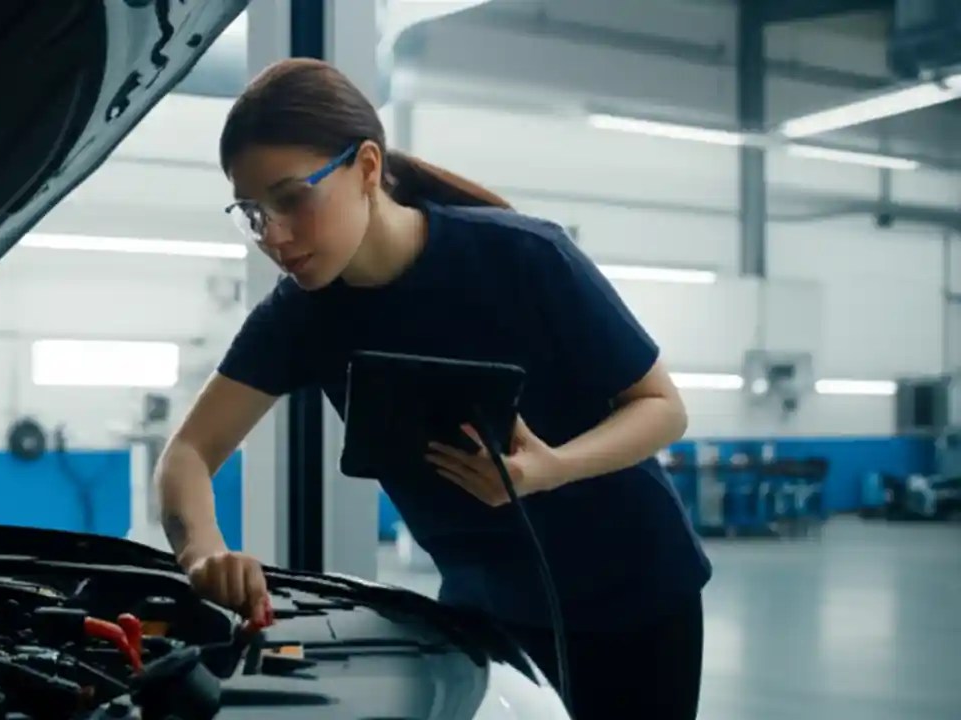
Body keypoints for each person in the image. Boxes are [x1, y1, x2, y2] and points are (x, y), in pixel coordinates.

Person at [155, 57, 711, 719]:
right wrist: (204, 552)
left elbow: (662, 409)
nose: (273, 236)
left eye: (292, 197)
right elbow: (188, 453)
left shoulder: (526, 258)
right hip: (484, 615)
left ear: (366, 167)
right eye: (252, 213)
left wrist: (552, 468)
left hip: (636, 598)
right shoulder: (300, 316)